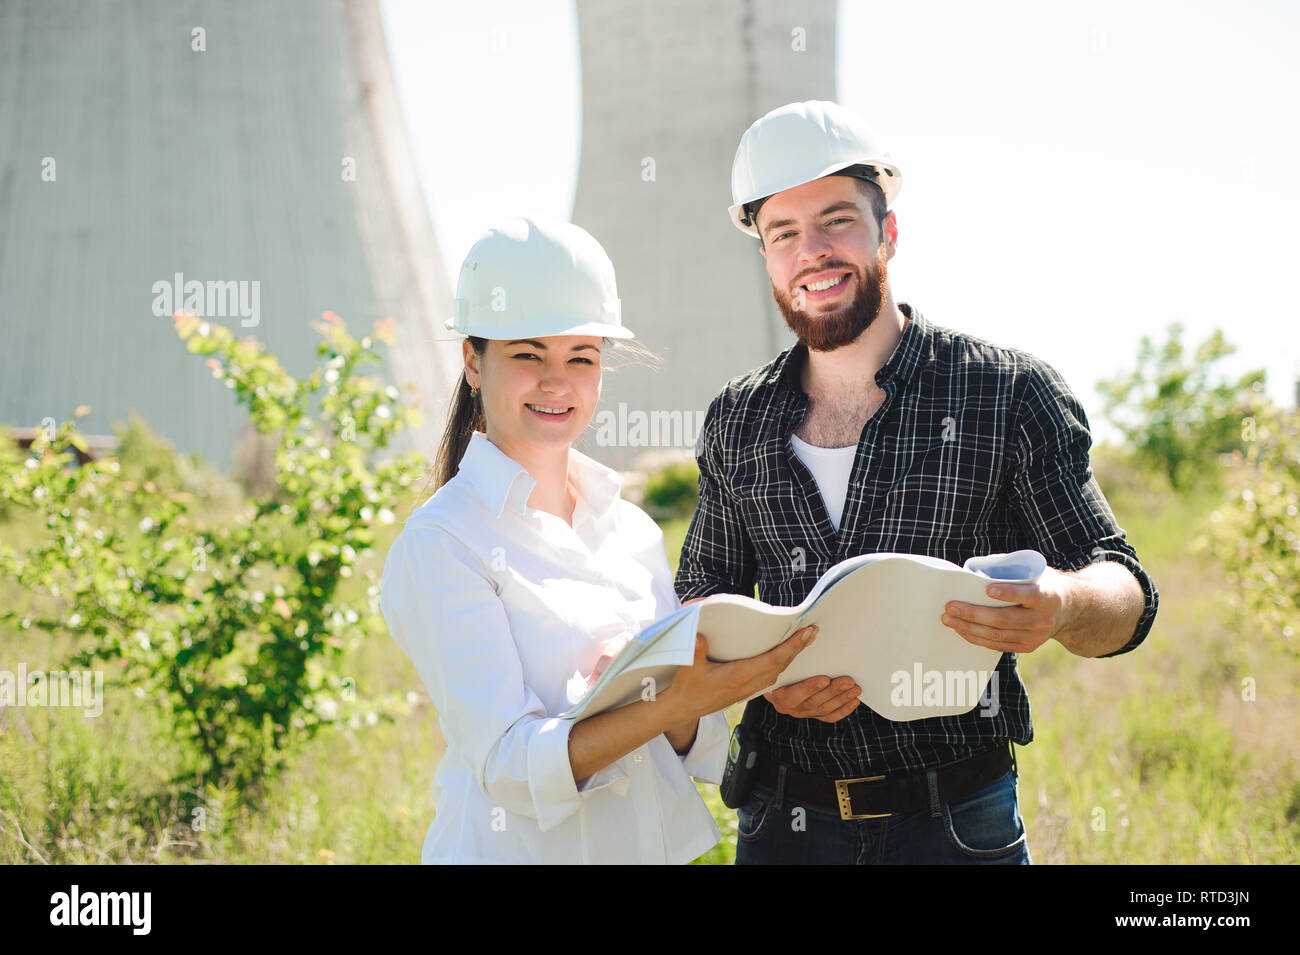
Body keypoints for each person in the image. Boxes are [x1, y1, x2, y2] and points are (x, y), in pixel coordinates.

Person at [674, 101, 1160, 865]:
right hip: (783, 824)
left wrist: (1061, 604)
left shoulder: (1007, 393)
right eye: (784, 234)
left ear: (888, 233)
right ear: (766, 256)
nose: (812, 252)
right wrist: (763, 680)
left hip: (957, 824)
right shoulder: (738, 418)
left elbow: (1127, 594)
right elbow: (698, 603)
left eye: (837, 221)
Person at [379, 217, 814, 864]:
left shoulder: (630, 529)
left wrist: (688, 698)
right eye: (528, 355)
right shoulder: (444, 542)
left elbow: (696, 748)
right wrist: (667, 699)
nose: (557, 382)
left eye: (581, 357)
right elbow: (509, 765)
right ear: (473, 361)